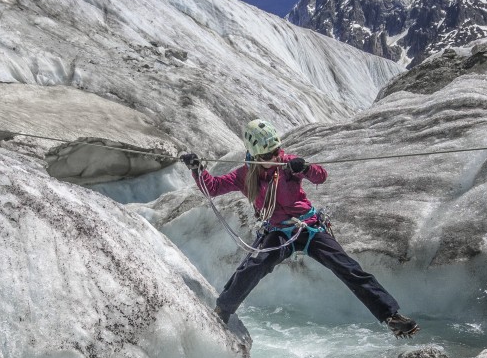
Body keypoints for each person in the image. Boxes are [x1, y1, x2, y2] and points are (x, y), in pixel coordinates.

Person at [180, 120, 420, 338]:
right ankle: (223, 310)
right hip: (277, 231)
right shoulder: (246, 174)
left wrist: (305, 168)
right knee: (254, 266)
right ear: (255, 153)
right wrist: (197, 169)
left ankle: (391, 315)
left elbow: (321, 176)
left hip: (308, 226)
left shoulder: (288, 165)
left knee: (346, 266)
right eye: (269, 153)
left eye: (276, 150)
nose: (275, 155)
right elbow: (213, 187)